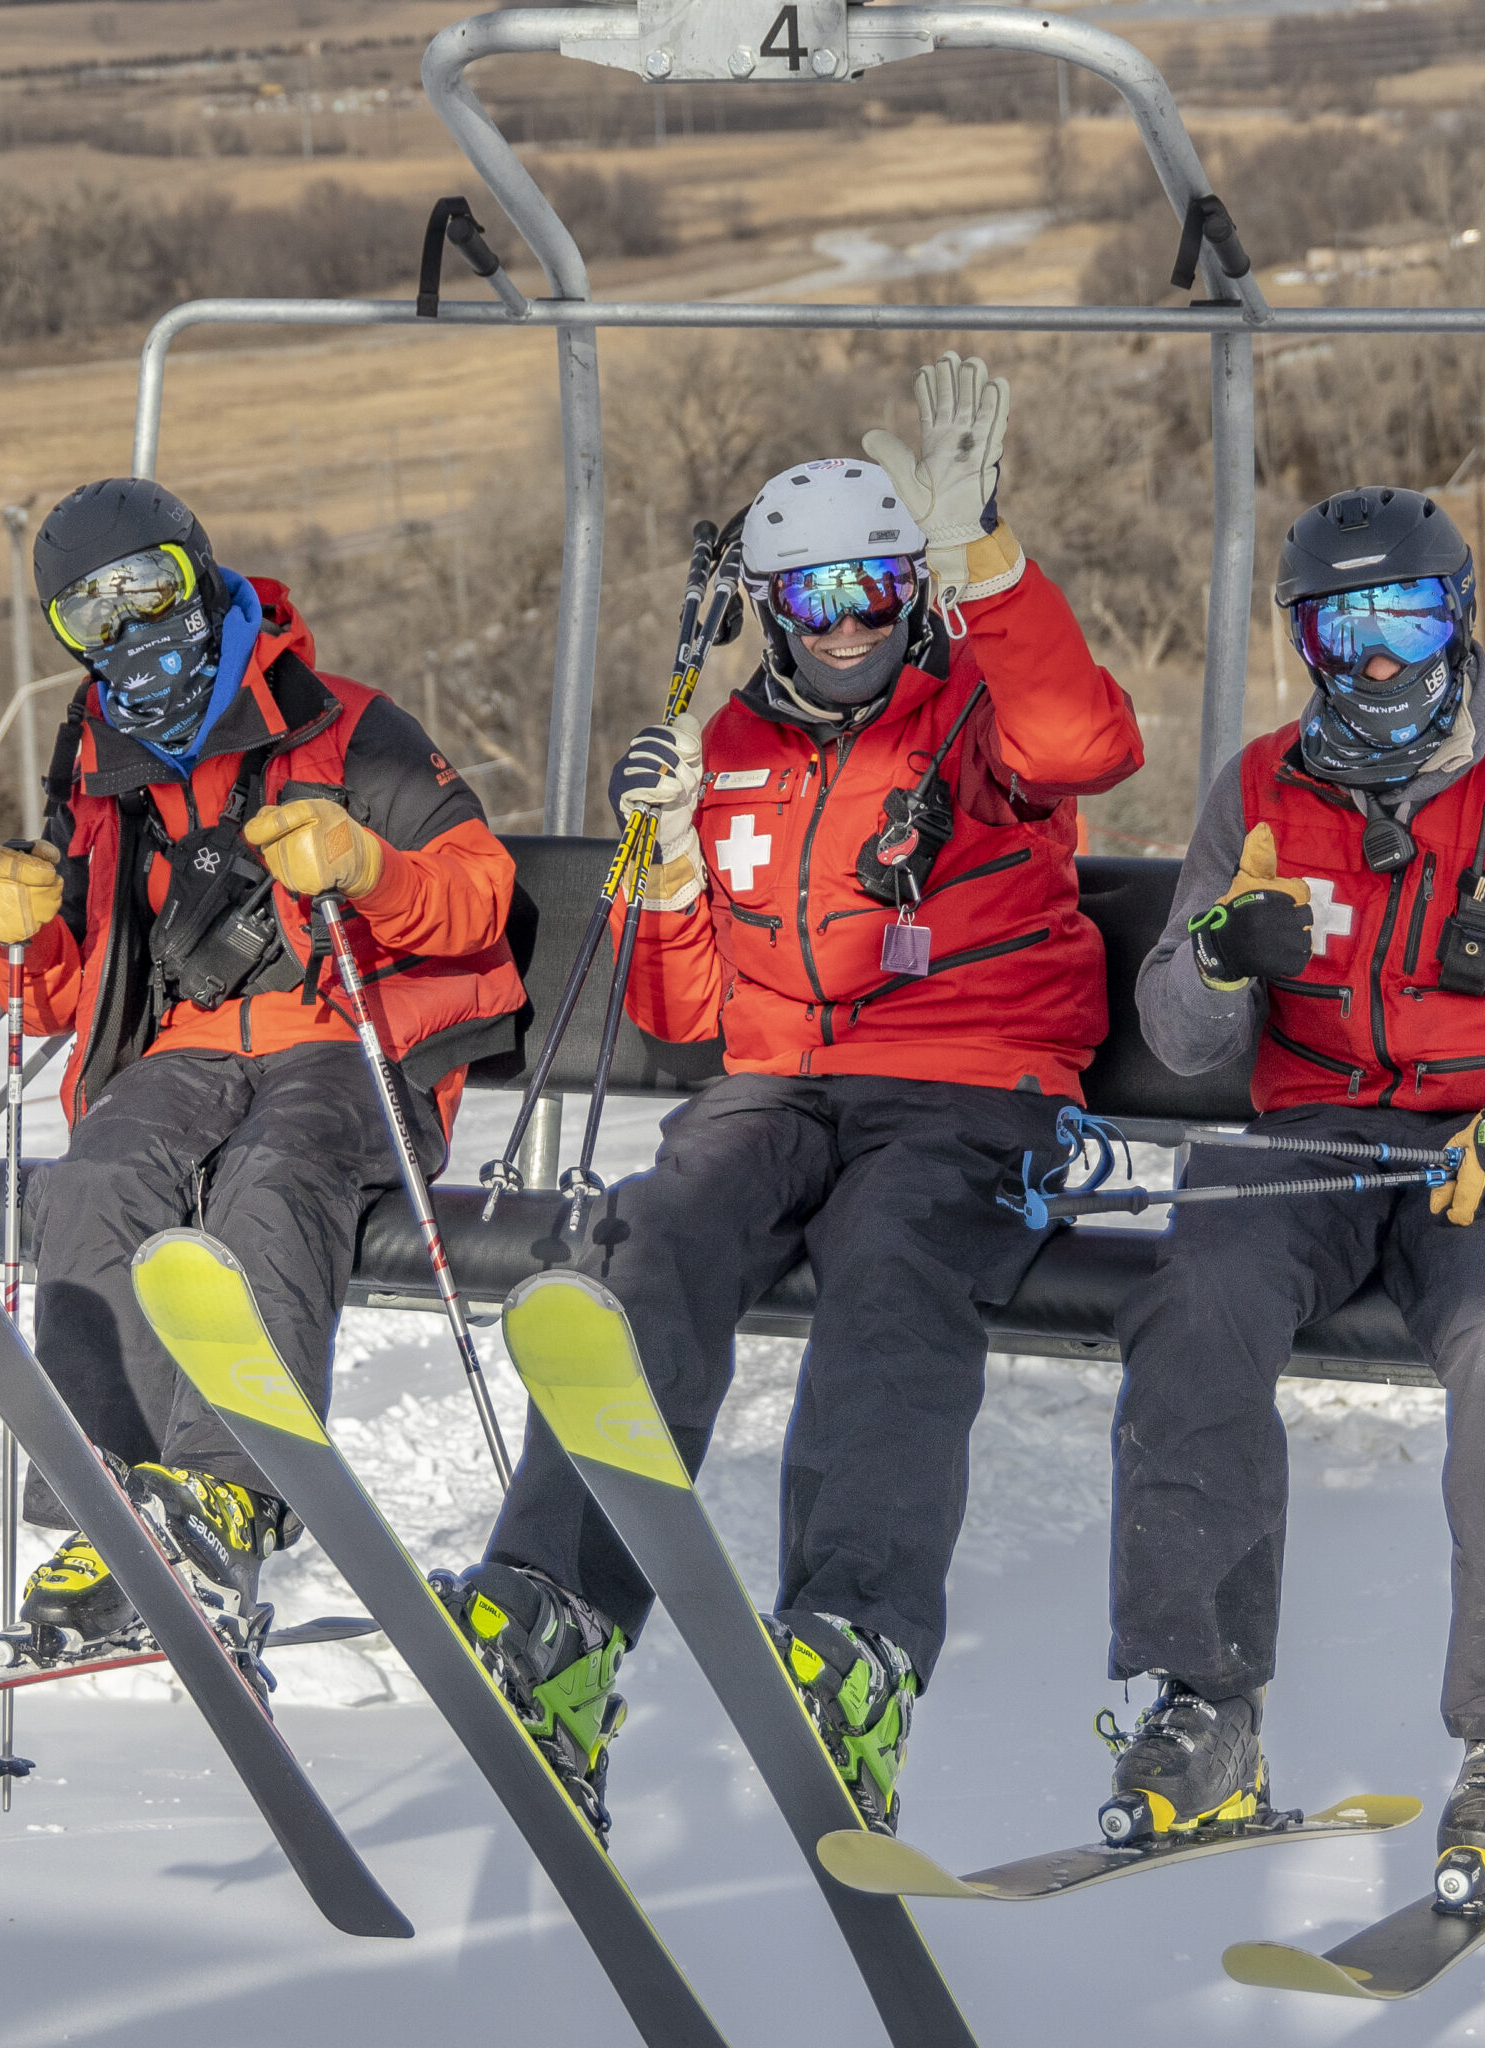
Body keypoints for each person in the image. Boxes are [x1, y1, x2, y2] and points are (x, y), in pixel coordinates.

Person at [434, 355, 1143, 1837]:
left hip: (965, 1088)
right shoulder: (727, 750)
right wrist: (670, 865)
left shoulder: (975, 717)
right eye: (815, 601)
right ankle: (556, 1611)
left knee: (893, 1280)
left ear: (915, 591)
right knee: (661, 1237)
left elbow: (1089, 740)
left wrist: (990, 563)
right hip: (776, 1091)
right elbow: (686, 1014)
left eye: (880, 591)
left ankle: (854, 1642)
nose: (851, 630)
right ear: (770, 606)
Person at [1102, 485, 1485, 1912]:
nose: (1379, 658)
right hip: (1313, 1136)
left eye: (1408, 616)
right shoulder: (1257, 793)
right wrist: (1216, 957)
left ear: (1460, 616)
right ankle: (1202, 1707)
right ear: (1305, 640)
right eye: (1343, 623)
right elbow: (1180, 1039)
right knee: (1193, 1306)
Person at [0, 477, 523, 1657]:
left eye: (146, 592)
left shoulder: (346, 724)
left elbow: (480, 897)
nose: (125, 632)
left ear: (199, 571)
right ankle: (105, 1506)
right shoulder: (97, 761)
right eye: (88, 617)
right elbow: (70, 994)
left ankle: (228, 1490)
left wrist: (370, 866)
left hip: (343, 1036)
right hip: (186, 1049)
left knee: (274, 1172)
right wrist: (27, 936)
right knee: (100, 1172)